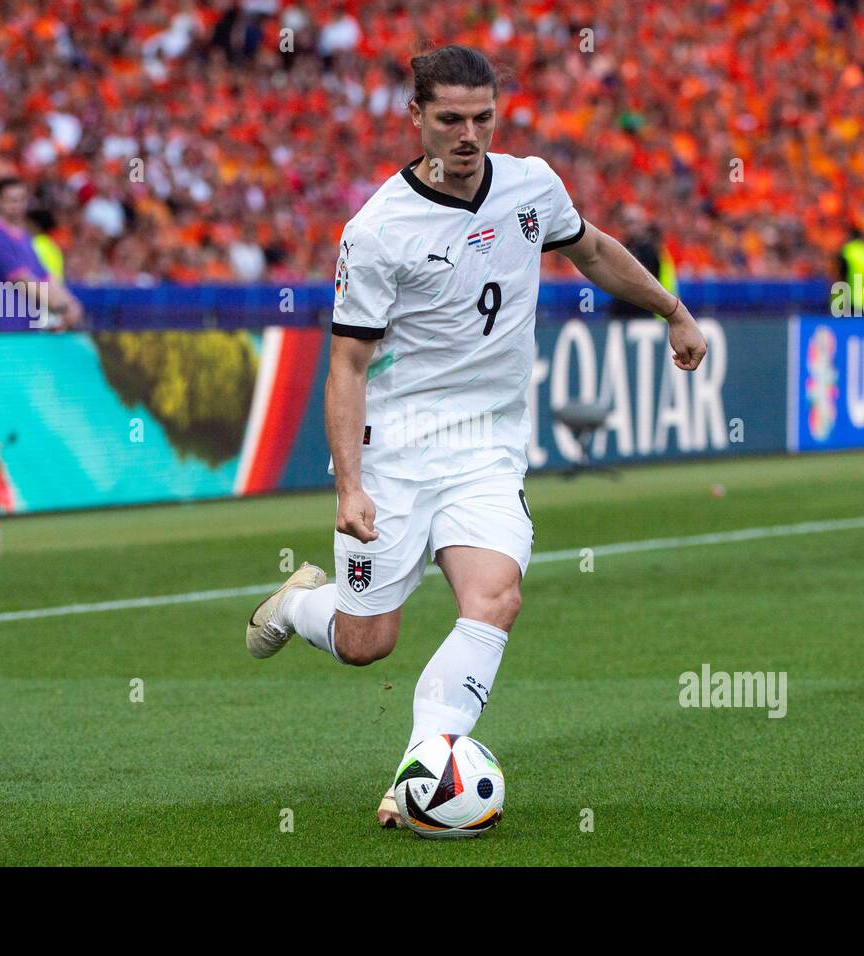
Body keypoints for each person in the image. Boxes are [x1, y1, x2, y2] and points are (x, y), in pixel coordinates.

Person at [241, 45, 707, 828]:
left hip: (488, 446)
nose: (468, 134)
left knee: (495, 598)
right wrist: (350, 485)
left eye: (482, 117)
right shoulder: (379, 229)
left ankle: (419, 781)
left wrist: (673, 309)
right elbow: (346, 367)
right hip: (394, 448)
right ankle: (297, 606)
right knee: (366, 643)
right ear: (415, 116)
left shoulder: (531, 185)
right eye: (450, 119)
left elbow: (591, 250)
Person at [0, 178, 83, 331]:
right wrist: (63, 307)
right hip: (5, 328)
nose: (17, 206)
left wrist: (71, 303)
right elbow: (24, 281)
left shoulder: (26, 238)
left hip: (28, 328)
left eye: (21, 200)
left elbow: (45, 277)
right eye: (11, 200)